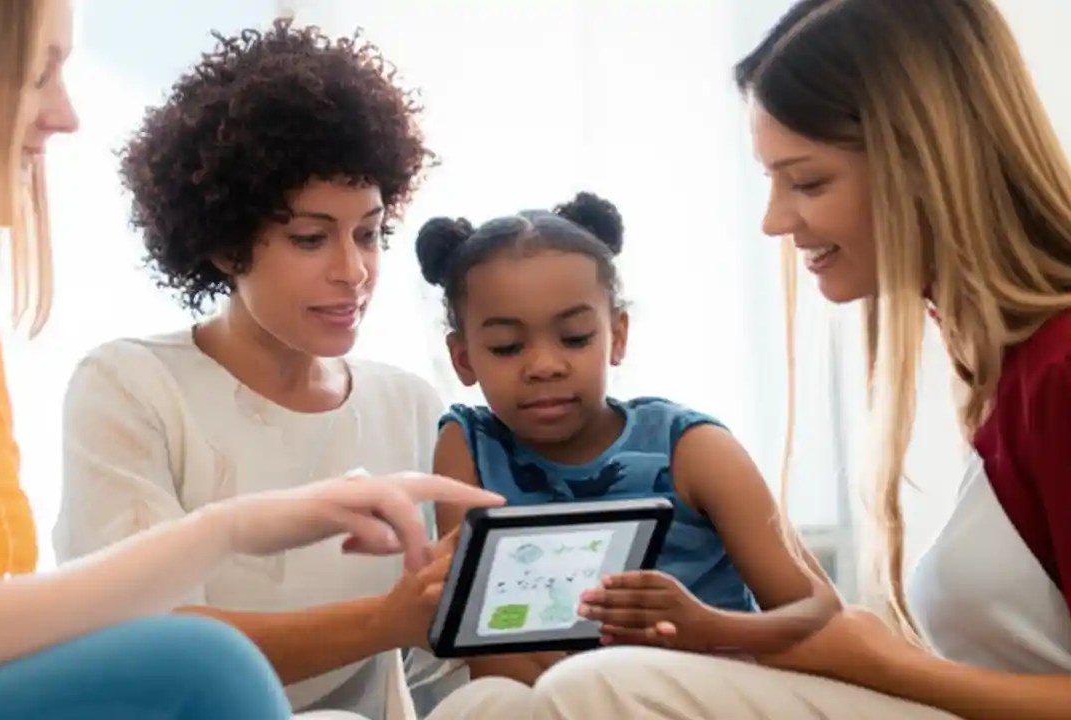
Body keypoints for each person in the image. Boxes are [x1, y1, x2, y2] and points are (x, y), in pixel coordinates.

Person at [0, 2, 501, 718]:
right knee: (200, 665)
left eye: (370, 234)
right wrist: (229, 529)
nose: (65, 115)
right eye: (38, 75)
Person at [428, 0, 1071, 717]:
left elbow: (811, 613)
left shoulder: (1060, 370)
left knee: (593, 687)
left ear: (923, 164)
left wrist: (886, 662)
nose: (773, 220)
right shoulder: (1007, 372)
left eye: (808, 181)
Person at [54, 19, 465, 720]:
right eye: (310, 238)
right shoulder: (129, 387)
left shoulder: (411, 405)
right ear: (223, 243)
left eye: (368, 233)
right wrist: (384, 621)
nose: (353, 271)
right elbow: (160, 654)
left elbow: (444, 662)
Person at [412, 192, 839, 687]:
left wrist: (706, 626)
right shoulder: (467, 445)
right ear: (463, 358)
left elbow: (820, 609)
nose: (545, 365)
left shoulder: (690, 448)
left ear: (617, 335)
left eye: (575, 337)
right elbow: (486, 646)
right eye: (507, 347)